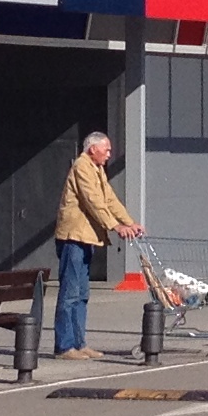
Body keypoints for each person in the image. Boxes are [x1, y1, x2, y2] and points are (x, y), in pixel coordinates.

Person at [53, 130, 141, 358]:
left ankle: (80, 343)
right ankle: (64, 346)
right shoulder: (82, 167)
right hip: (73, 237)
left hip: (87, 237)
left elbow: (109, 199)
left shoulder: (97, 169)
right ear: (93, 149)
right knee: (70, 293)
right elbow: (93, 201)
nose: (109, 154)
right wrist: (115, 226)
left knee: (82, 294)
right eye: (107, 149)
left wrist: (129, 222)